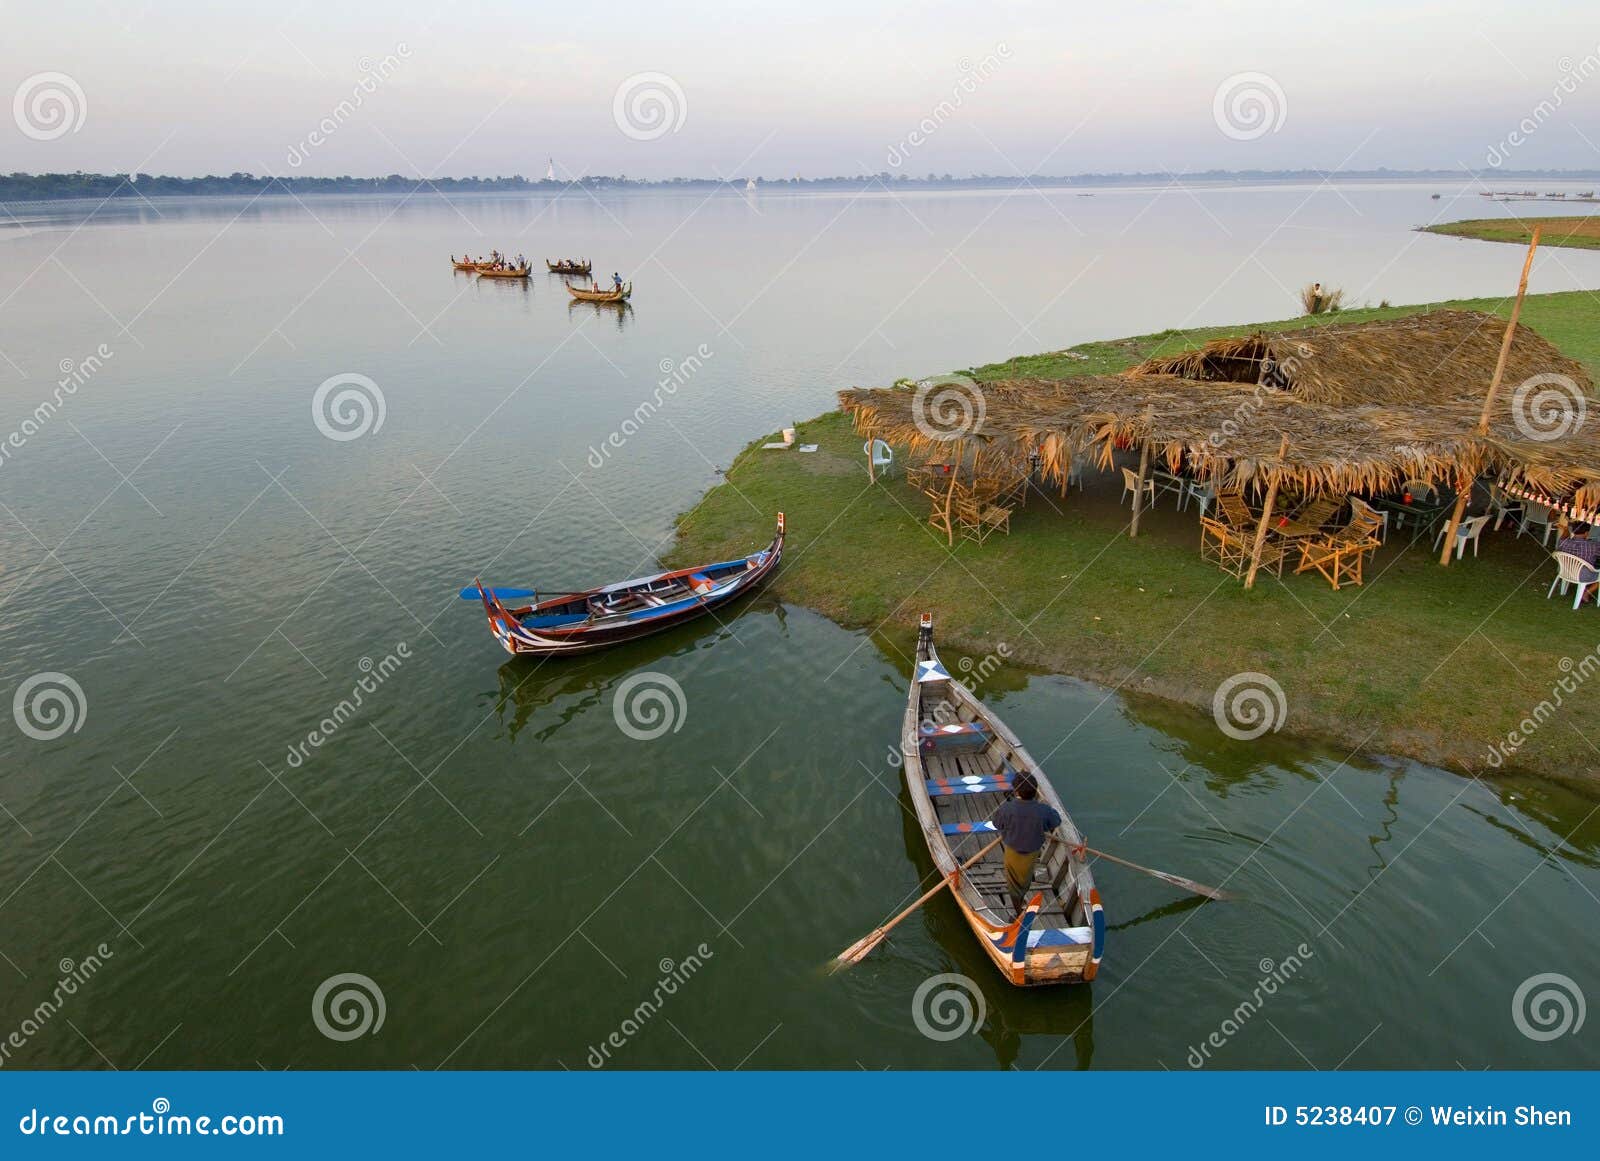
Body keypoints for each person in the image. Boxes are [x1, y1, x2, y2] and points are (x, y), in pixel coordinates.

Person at [990, 772, 1061, 915]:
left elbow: (996, 823)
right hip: (1032, 852)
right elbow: (1056, 821)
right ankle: (1021, 900)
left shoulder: (1007, 808)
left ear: (1016, 791)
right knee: (1025, 878)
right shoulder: (1044, 810)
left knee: (1013, 882)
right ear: (1035, 791)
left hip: (1013, 851)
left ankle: (1018, 911)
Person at [1557, 522, 1600, 598]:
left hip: (1565, 571)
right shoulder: (1592, 545)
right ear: (1587, 533)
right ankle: (1586, 594)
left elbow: (1564, 536)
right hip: (1583, 575)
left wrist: (1565, 529)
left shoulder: (1563, 542)